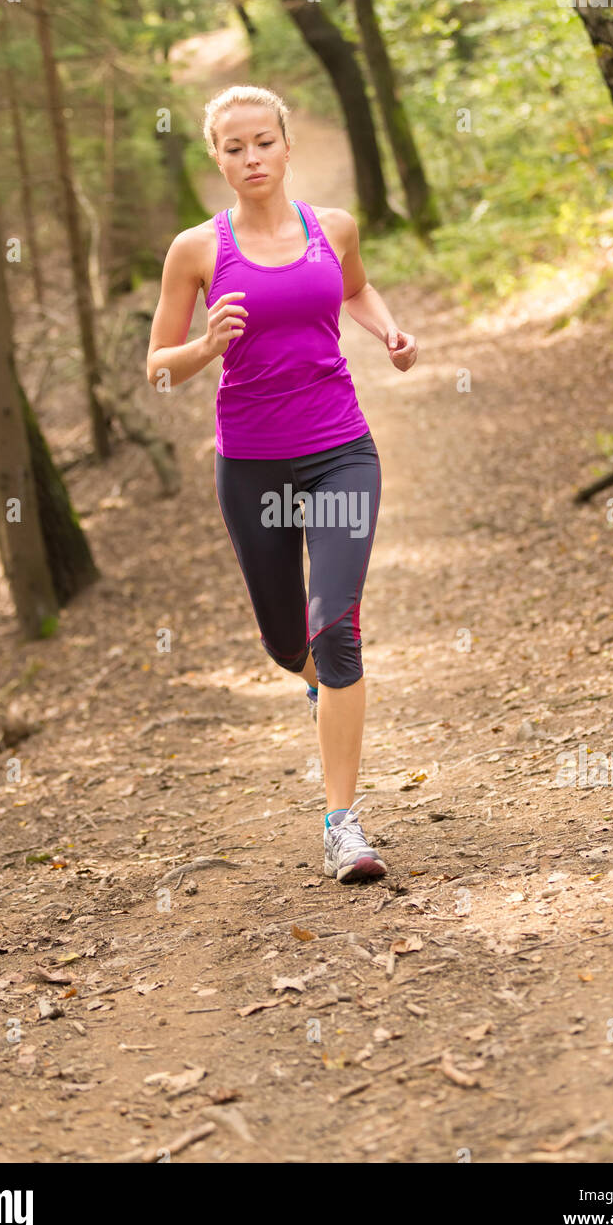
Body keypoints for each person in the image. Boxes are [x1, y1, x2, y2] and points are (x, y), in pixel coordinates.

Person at [146, 84, 418, 883]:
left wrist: (390, 331)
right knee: (284, 641)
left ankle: (342, 826)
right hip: (253, 463)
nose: (252, 157)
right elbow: (157, 367)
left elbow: (356, 288)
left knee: (336, 631)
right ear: (217, 159)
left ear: (286, 145)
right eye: (235, 147)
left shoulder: (333, 228)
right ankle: (319, 687)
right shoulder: (196, 250)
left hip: (340, 451)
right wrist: (206, 348)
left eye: (264, 141)